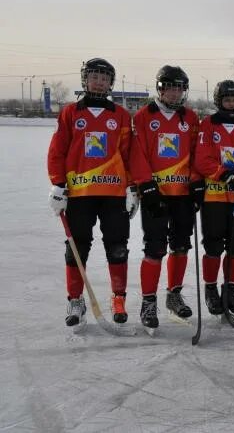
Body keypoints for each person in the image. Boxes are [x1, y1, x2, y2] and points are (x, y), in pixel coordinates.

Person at [47, 58, 136, 327]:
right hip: (79, 194)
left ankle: (118, 297)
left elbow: (128, 154)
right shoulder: (70, 112)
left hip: (113, 194)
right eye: (94, 76)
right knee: (76, 248)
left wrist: (132, 187)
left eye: (104, 77)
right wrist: (57, 184)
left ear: (111, 82)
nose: (99, 81)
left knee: (117, 247)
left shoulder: (120, 115)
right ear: (85, 79)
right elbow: (58, 150)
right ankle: (75, 299)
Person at [130, 65, 201, 330]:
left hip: (182, 195)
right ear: (160, 88)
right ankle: (148, 301)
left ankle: (174, 294)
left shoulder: (191, 118)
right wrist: (145, 186)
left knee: (181, 245)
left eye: (179, 87)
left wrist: (196, 182)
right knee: (155, 248)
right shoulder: (143, 117)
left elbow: (198, 153)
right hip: (155, 195)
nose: (174, 92)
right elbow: (136, 153)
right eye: (169, 87)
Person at [194, 80, 234, 318]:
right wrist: (223, 173)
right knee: (213, 244)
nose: (231, 104)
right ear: (218, 101)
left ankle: (229, 289)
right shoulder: (209, 124)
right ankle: (211, 289)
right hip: (214, 196)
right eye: (227, 100)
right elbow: (202, 159)